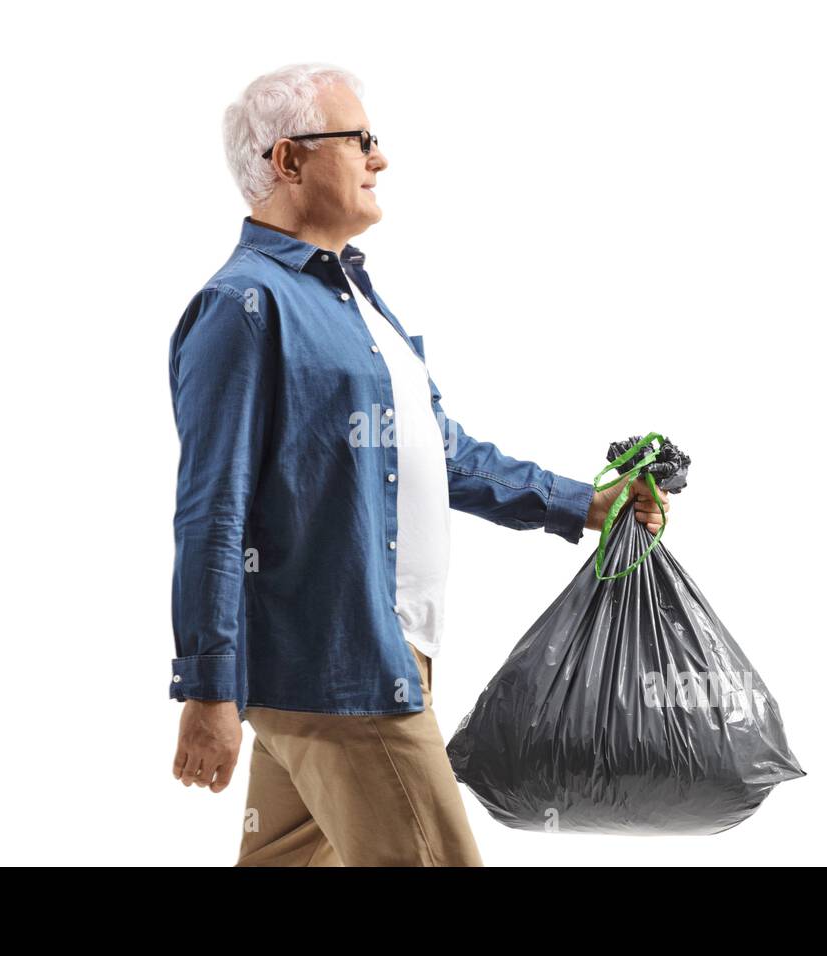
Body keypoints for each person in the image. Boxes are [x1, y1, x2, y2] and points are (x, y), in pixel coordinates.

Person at [168, 63, 671, 866]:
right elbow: (212, 511)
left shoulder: (356, 301)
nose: (380, 158)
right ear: (289, 160)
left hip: (369, 659)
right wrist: (206, 686)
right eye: (360, 139)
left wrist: (583, 503)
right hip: (343, 668)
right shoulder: (243, 307)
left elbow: (442, 455)